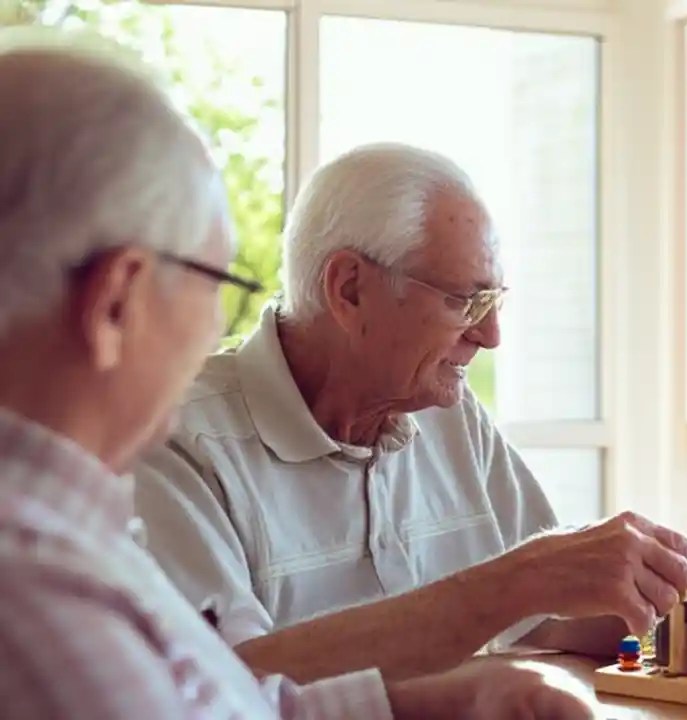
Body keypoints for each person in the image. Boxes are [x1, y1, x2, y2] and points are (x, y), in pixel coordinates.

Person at [0, 27, 599, 719]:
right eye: (217, 280)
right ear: (116, 302)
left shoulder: (77, 532)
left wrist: (442, 703)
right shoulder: (41, 588)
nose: (217, 320)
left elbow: (222, 701)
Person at [132, 140, 687, 683]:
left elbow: (547, 610)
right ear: (349, 289)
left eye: (494, 301)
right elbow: (220, 688)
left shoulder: (445, 414)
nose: (491, 335)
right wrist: (513, 584)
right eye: (465, 301)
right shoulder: (173, 437)